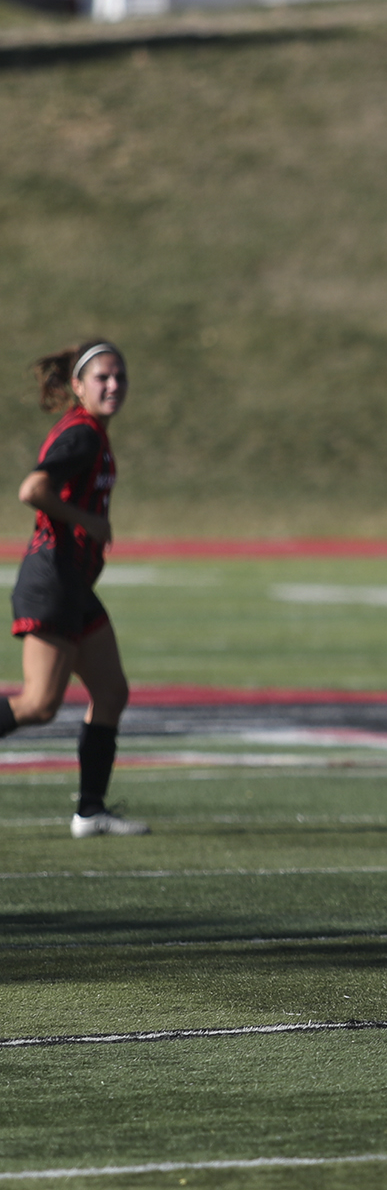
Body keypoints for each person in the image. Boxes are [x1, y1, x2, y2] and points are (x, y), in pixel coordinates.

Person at [0, 340, 142, 838]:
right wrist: (87, 521)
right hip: (53, 582)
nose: (113, 386)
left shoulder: (93, 435)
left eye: (120, 376)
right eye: (102, 377)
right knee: (38, 704)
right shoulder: (81, 435)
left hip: (74, 586)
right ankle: (90, 809)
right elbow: (31, 489)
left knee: (111, 692)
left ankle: (90, 812)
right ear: (77, 386)